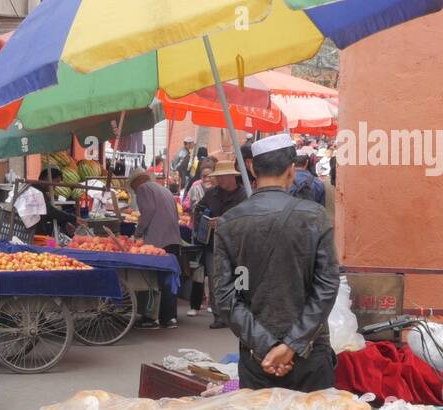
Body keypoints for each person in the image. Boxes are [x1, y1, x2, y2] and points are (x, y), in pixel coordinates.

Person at [212, 134, 340, 391]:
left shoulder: (229, 222)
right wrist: (292, 345)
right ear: (291, 170)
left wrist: (267, 346)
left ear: (251, 168)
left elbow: (227, 297)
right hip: (308, 355)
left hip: (257, 357)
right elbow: (326, 286)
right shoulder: (314, 217)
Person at [189, 160, 248, 324]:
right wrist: (204, 222)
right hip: (213, 243)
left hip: (237, 245)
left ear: (232, 177)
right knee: (216, 279)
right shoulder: (211, 193)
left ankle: (239, 313)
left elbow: (247, 219)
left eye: (222, 177)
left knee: (239, 279)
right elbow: (198, 210)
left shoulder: (244, 195)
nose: (219, 180)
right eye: (218, 177)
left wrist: (223, 221)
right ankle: (219, 315)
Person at [128, 168, 183, 329]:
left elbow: (148, 212)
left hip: (158, 240)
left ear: (137, 182)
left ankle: (151, 318)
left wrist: (138, 232)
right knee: (168, 279)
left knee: (153, 281)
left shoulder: (144, 189)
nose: (134, 190)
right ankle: (169, 317)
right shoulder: (164, 189)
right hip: (173, 238)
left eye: (133, 187)